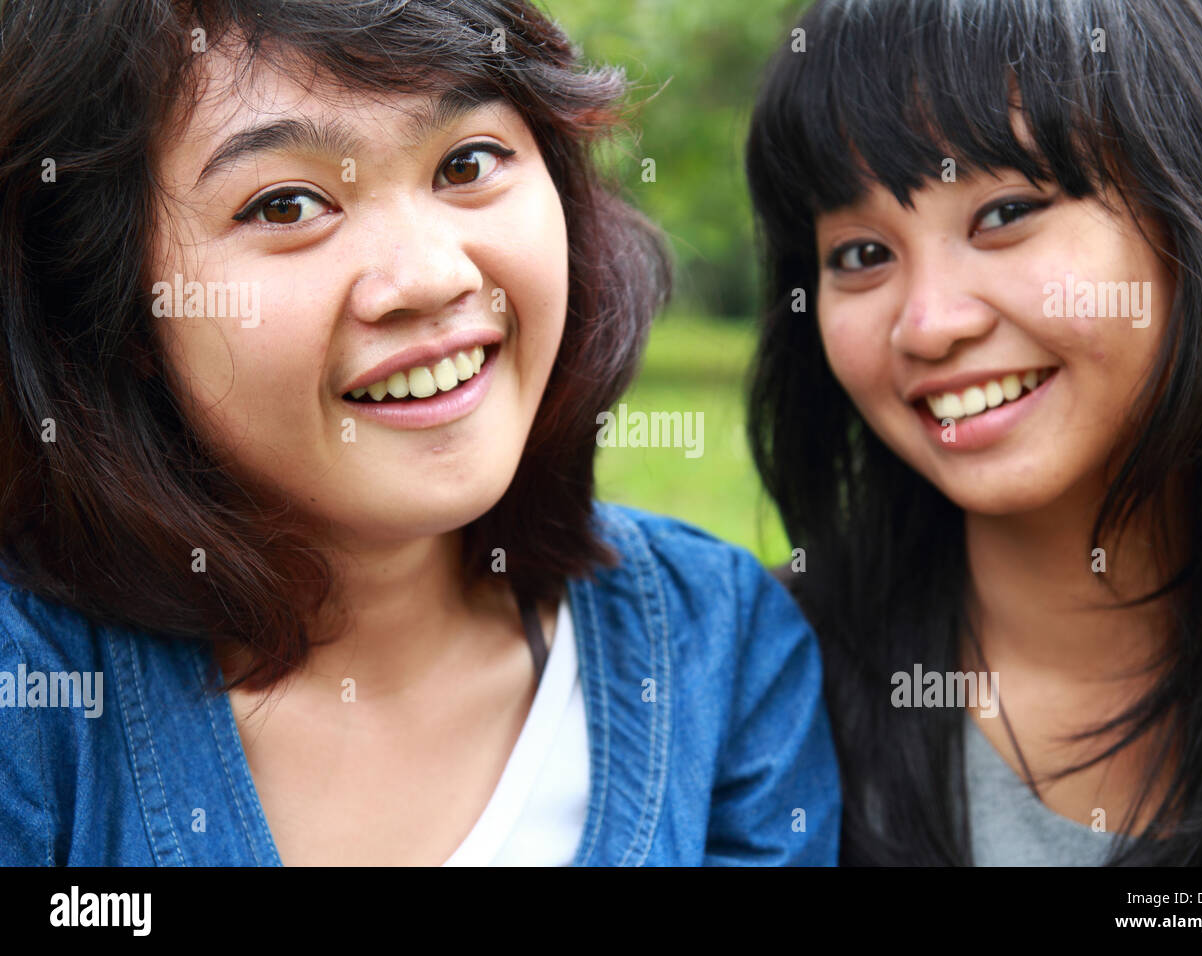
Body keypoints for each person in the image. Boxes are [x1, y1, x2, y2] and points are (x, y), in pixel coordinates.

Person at [0, 0, 840, 866]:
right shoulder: (34, 706)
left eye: (468, 162)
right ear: (116, 314)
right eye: (288, 206)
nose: (433, 276)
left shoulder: (720, 654)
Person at [746, 0, 1202, 864]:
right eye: (861, 255)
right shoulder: (752, 692)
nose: (927, 325)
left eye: (1004, 214)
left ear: (1200, 205)